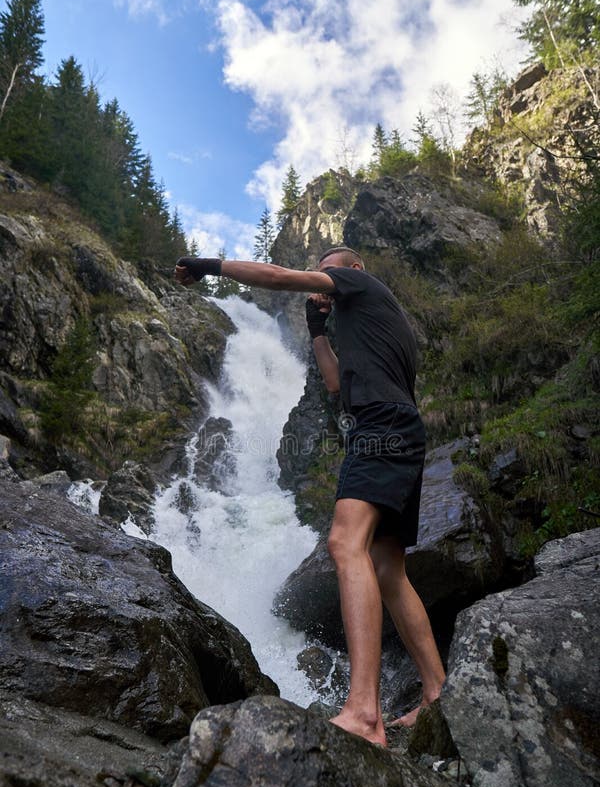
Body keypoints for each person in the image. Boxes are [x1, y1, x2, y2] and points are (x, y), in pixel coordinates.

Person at [175, 248, 445, 747]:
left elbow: (278, 276)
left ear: (352, 270)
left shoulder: (361, 285)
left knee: (345, 545)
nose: (322, 283)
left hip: (380, 427)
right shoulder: (368, 321)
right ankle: (436, 694)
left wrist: (208, 266)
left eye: (329, 270)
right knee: (387, 568)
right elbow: (336, 383)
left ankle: (365, 711)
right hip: (397, 429)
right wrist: (318, 331)